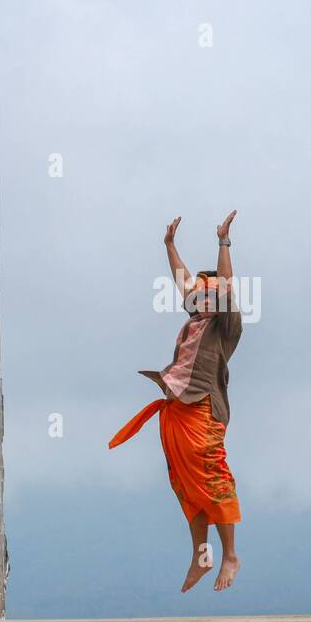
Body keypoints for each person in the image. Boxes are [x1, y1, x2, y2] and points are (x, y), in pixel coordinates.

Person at [109, 211, 244, 592]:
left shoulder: (225, 325)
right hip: (175, 411)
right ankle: (201, 555)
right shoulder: (193, 323)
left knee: (213, 476)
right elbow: (183, 279)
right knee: (187, 484)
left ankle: (230, 555)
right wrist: (170, 246)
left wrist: (223, 241)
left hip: (203, 407)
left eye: (207, 292)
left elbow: (227, 283)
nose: (199, 296)